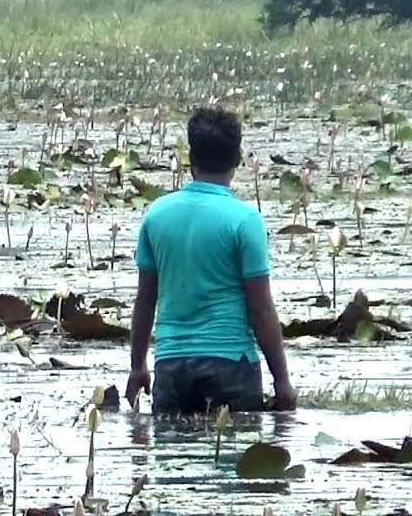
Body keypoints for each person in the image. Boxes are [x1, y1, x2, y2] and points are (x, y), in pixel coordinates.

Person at [125, 106, 296, 415]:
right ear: (236, 160)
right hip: (231, 366)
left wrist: (138, 366)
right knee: (234, 455)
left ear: (191, 158)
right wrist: (281, 380)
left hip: (171, 366)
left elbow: (145, 300)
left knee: (174, 460)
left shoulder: (156, 216)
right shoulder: (245, 220)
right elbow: (260, 308)